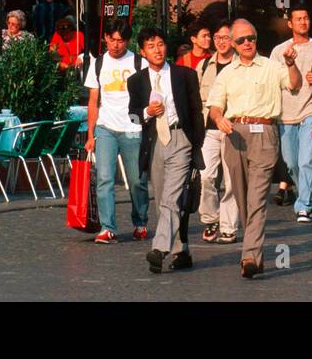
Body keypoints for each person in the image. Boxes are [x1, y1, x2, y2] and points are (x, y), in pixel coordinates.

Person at [206, 17, 301, 279]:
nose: (247, 43)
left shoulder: (273, 66)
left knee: (257, 197)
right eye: (241, 40)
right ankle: (255, 250)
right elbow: (214, 105)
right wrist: (218, 118)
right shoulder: (226, 73)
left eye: (251, 38)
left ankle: (249, 255)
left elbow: (294, 84)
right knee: (241, 195)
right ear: (233, 44)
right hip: (234, 133)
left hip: (265, 133)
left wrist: (292, 65)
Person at [128, 27, 205, 274]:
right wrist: (146, 113)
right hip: (154, 142)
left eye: (160, 44)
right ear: (143, 52)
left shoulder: (185, 75)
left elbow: (196, 111)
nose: (157, 50)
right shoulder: (136, 80)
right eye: (151, 46)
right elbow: (131, 114)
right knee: (164, 200)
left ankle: (160, 248)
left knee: (171, 197)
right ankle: (182, 251)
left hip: (180, 137)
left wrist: (196, 143)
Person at [268, 6, 312, 222]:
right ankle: (302, 193)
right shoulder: (279, 51)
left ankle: (305, 205)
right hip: (285, 115)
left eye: (306, 18)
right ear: (290, 23)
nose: (303, 22)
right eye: (298, 19)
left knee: (307, 160)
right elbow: (270, 80)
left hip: (311, 111)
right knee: (291, 163)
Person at [82, 20, 149, 243]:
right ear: (106, 39)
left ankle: (140, 221)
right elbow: (93, 101)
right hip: (106, 127)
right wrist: (90, 134)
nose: (116, 45)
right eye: (112, 39)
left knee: (137, 180)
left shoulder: (140, 62)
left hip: (132, 127)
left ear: (127, 41)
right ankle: (107, 227)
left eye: (121, 41)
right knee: (104, 178)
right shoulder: (98, 63)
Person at [196, 23, 238, 245]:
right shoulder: (204, 66)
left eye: (226, 37)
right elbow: (195, 99)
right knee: (206, 176)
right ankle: (211, 218)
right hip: (209, 131)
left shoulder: (241, 65)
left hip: (233, 131)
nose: (221, 41)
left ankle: (229, 226)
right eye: (217, 37)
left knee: (231, 181)